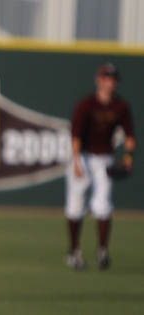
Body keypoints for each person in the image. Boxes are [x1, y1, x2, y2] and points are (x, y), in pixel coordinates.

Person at [64, 63, 135, 271]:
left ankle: (102, 251)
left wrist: (128, 158)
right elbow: (75, 136)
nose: (110, 83)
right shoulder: (85, 105)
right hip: (83, 157)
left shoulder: (121, 106)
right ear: (98, 80)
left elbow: (130, 136)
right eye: (106, 78)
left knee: (102, 204)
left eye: (113, 79)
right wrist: (76, 162)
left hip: (104, 157)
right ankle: (74, 251)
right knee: (75, 203)